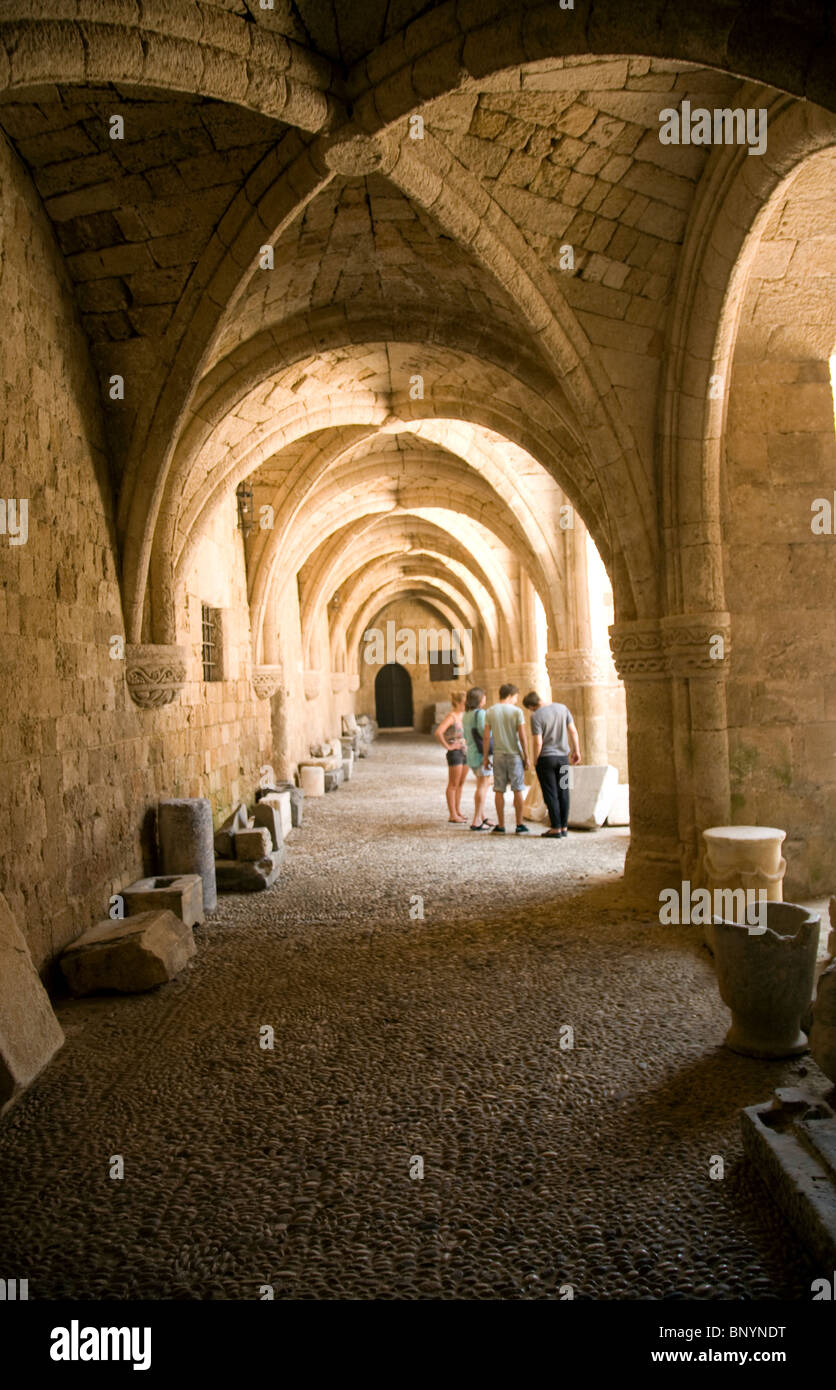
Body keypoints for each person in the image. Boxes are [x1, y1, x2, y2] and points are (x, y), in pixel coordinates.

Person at [522, 690, 581, 838]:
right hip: (563, 758)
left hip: (546, 759)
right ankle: (565, 826)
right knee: (564, 790)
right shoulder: (562, 708)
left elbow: (538, 741)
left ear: (531, 706)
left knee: (551, 793)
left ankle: (556, 827)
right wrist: (576, 751)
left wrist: (535, 758)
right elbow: (573, 731)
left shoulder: (536, 716)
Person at [482, 683, 531, 834]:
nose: (516, 700)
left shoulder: (490, 711)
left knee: (499, 790)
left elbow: (486, 737)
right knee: (517, 789)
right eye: (516, 697)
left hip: (498, 754)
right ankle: (519, 824)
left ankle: (501, 824)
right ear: (510, 696)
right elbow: (522, 736)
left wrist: (485, 757)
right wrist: (526, 756)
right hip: (514, 754)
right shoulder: (517, 712)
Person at [462, 687, 494, 830]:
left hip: (472, 754)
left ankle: (482, 816)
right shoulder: (480, 714)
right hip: (482, 755)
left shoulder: (466, 715)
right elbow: (485, 733)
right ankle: (476, 820)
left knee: (482, 785)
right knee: (482, 786)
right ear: (479, 699)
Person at [434, 692, 468, 823]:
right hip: (455, 753)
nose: (466, 706)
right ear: (458, 703)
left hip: (465, 752)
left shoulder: (463, 716)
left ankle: (458, 811)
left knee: (460, 784)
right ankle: (452, 814)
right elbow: (438, 732)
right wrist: (448, 746)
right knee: (453, 784)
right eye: (465, 703)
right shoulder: (451, 717)